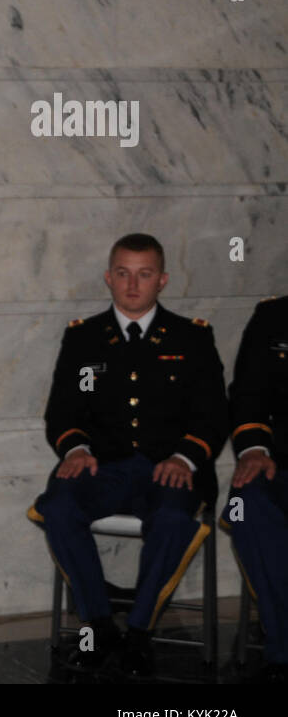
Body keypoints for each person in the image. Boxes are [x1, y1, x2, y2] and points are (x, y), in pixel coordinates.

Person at [31, 233, 227, 677]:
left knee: (176, 520)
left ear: (162, 280)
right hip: (103, 468)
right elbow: (64, 410)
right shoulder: (84, 340)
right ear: (109, 278)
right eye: (123, 273)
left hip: (168, 471)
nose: (132, 285)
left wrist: (185, 458)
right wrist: (75, 449)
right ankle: (99, 626)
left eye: (143, 274)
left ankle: (139, 633)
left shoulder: (190, 338)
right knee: (58, 507)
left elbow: (212, 415)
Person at [222, 296, 288, 682]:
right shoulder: (273, 316)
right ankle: (282, 651)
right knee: (243, 510)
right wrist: (252, 450)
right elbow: (247, 392)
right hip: (277, 467)